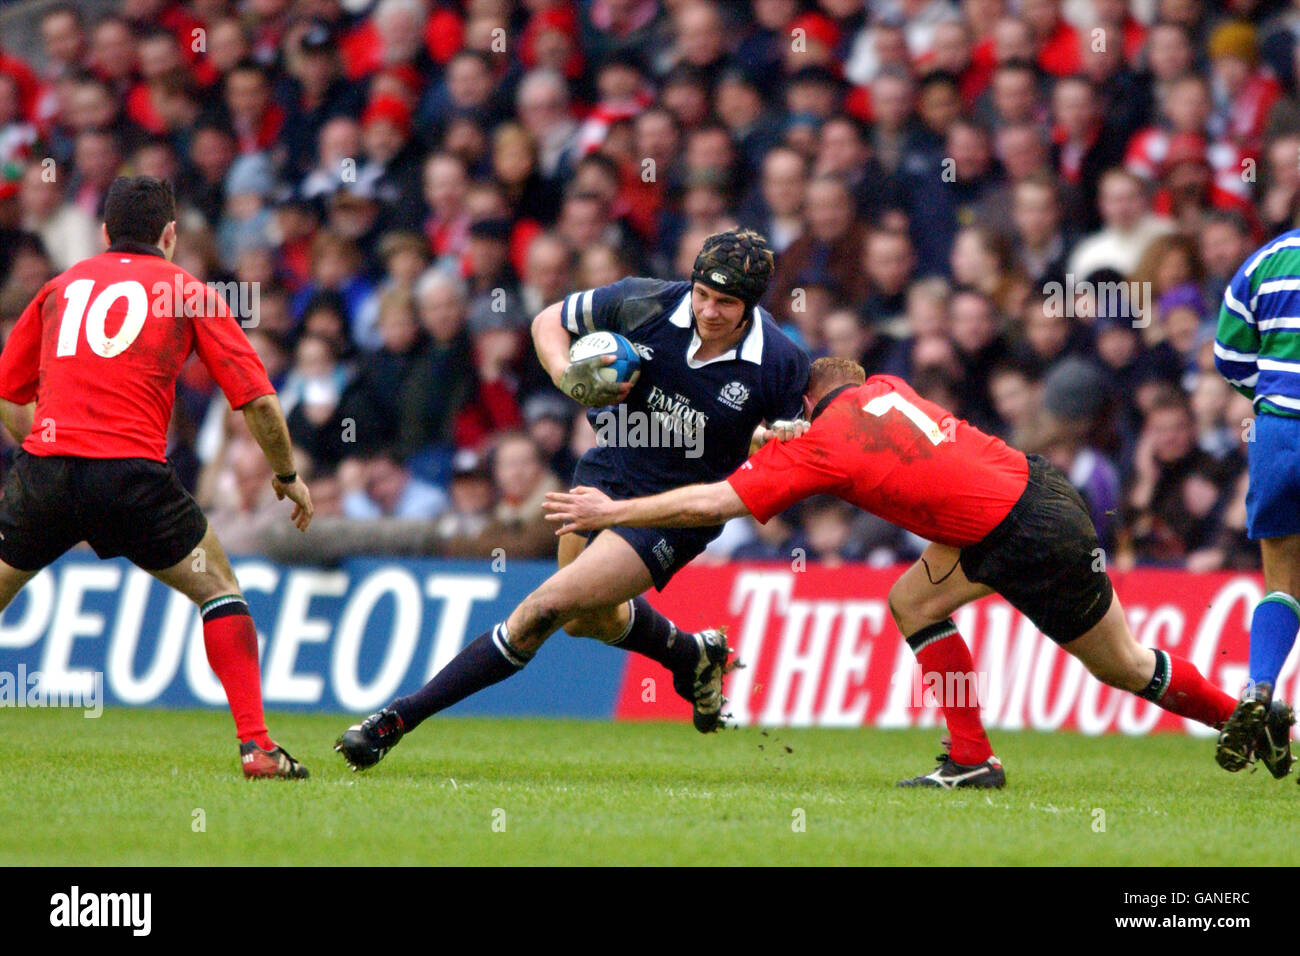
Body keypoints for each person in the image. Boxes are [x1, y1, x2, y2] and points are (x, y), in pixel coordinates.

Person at [543, 357, 1243, 788]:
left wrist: (616, 511)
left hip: (1020, 533)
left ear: (804, 408)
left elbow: (714, 500)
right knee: (912, 601)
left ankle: (1240, 717)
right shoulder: (885, 386)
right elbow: (841, 430)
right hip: (1033, 490)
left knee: (1120, 665)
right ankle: (972, 758)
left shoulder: (820, 443)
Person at [335, 229, 810, 769]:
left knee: (544, 608)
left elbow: (787, 454)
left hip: (676, 510)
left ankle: (395, 720)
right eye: (703, 293)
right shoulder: (646, 300)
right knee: (588, 620)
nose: (708, 309)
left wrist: (764, 444)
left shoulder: (779, 362)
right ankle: (692, 655)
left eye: (726, 302)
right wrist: (567, 375)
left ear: (751, 304)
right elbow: (547, 322)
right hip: (608, 471)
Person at [0, 176, 315, 779]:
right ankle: (257, 748)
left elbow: (10, 395)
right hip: (132, 478)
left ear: (103, 234)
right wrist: (287, 474)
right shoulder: (187, 293)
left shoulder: (60, 289)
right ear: (169, 235)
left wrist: (52, 455)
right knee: (218, 588)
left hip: (45, 472)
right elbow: (258, 402)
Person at [1212, 226, 1300, 778]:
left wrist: (1271, 398)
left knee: (1282, 578)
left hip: (1275, 435)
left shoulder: (1267, 260)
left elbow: (1227, 353)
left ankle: (1259, 684)